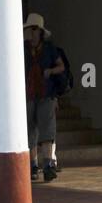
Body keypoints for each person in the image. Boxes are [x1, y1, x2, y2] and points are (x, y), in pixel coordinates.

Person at [23, 12, 65, 183]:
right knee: (29, 132)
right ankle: (32, 165)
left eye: (34, 29)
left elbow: (61, 67)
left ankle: (48, 165)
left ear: (40, 31)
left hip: (46, 94)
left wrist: (50, 71)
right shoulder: (22, 49)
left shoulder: (49, 49)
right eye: (29, 29)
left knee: (47, 131)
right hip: (27, 95)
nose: (31, 32)